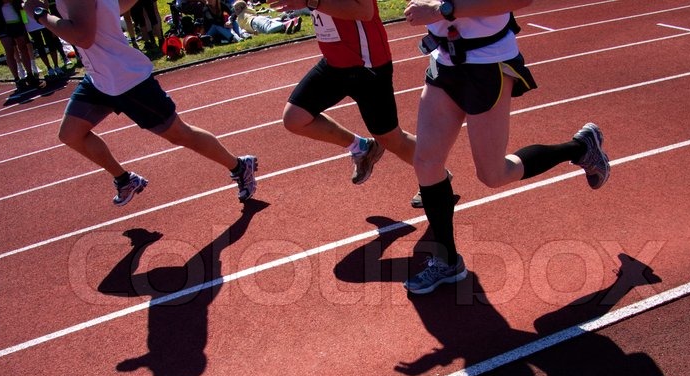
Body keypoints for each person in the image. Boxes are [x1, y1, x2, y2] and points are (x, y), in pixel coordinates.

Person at [402, 0, 610, 294]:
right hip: (445, 58)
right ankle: (447, 260)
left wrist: (441, 11)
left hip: (488, 62)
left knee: (493, 174)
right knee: (426, 163)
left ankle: (579, 148)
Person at [21, 0, 259, 206]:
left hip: (127, 79)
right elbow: (116, 6)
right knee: (70, 134)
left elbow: (82, 36)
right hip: (99, 78)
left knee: (179, 134)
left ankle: (239, 166)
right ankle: (125, 180)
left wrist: (40, 14)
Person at [269, 0, 417, 186]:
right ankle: (362, 147)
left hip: (367, 65)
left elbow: (365, 11)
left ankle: (437, 176)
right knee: (294, 118)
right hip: (334, 62)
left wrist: (309, 2)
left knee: (391, 139)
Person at [0, 0, 40, 91]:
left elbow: (20, 5)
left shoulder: (15, 2)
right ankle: (17, 79)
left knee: (23, 48)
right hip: (2, 26)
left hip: (17, 22)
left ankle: (30, 75)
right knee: (9, 50)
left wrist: (25, 22)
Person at [227, 0, 301, 36]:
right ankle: (294, 21)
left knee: (270, 29)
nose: (235, 11)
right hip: (256, 23)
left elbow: (233, 16)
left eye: (237, 9)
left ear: (242, 8)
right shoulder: (245, 13)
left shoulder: (244, 12)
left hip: (255, 21)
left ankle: (286, 25)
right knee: (271, 27)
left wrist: (230, 20)